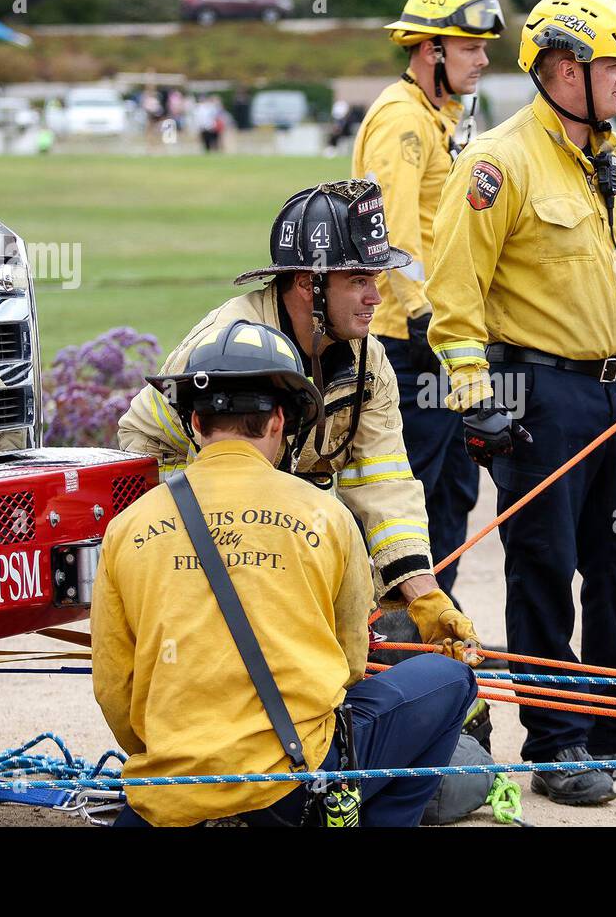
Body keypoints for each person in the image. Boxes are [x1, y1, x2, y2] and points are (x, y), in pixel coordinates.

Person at [424, 0, 616, 806]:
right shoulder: (497, 163)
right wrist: (477, 400)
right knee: (545, 568)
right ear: (563, 69)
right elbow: (455, 295)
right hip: (536, 395)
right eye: (613, 63)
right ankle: (557, 744)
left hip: (613, 390)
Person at [94, 320, 478, 826]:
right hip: (292, 786)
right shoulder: (325, 515)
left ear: (193, 421)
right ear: (279, 421)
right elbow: (349, 665)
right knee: (452, 680)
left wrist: (181, 756)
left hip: (168, 793)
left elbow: (112, 686)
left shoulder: (127, 528)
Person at [117, 179, 481, 653]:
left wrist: (425, 596)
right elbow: (145, 447)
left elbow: (384, 481)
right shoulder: (229, 352)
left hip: (285, 530)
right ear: (308, 283)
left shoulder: (369, 361)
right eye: (358, 281)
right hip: (205, 537)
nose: (377, 297)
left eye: (374, 279)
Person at [352, 0, 501, 605]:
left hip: (440, 343)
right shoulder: (403, 122)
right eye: (470, 48)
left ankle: (436, 625)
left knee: (451, 490)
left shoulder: (435, 118)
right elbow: (390, 225)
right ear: (431, 51)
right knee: (410, 492)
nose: (484, 59)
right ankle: (393, 637)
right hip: (411, 346)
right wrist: (418, 314)